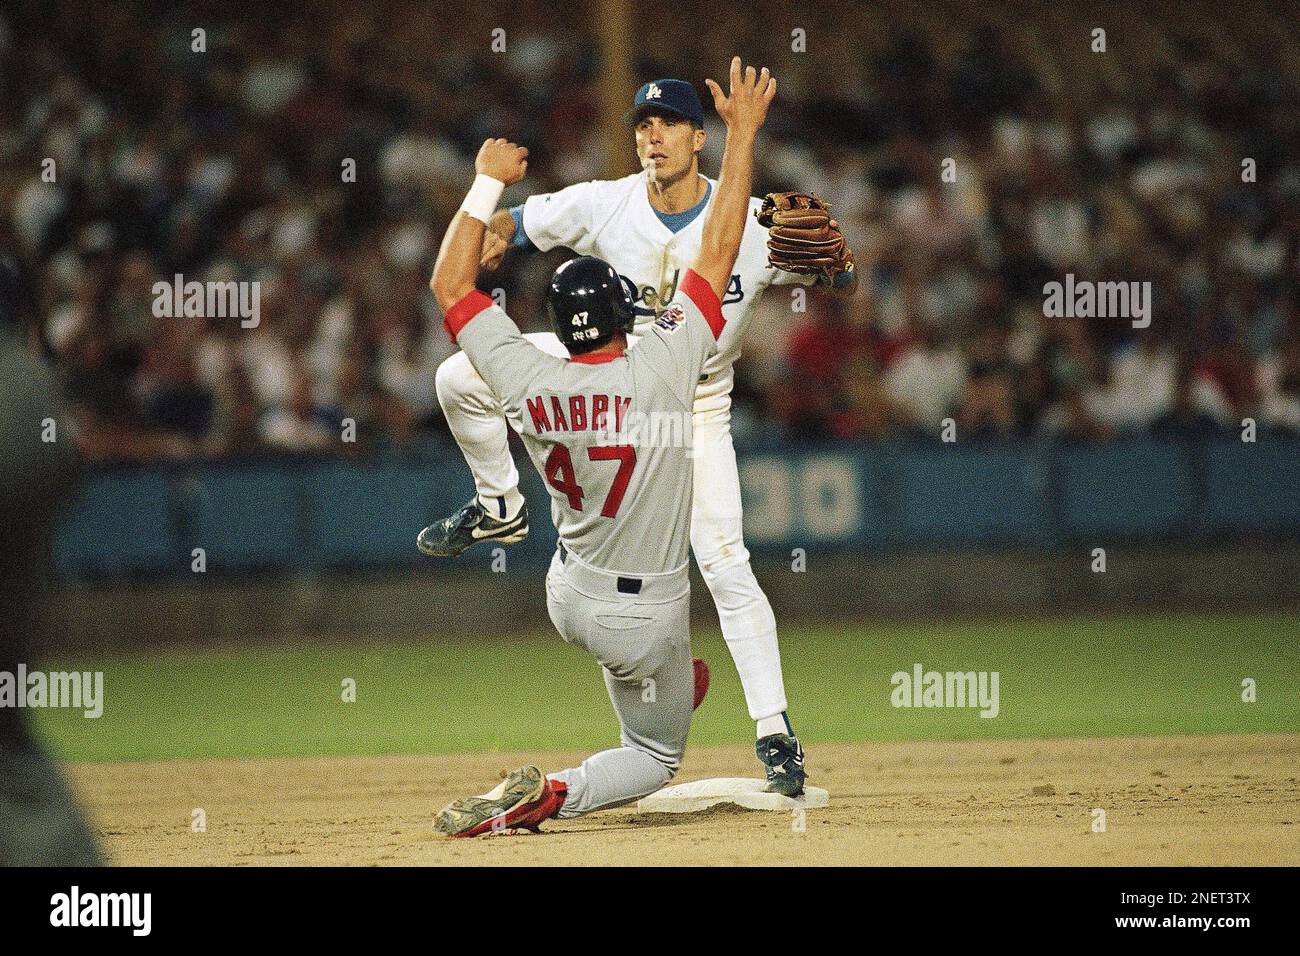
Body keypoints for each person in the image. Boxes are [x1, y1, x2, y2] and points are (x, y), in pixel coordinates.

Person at [420, 69, 856, 795]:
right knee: (457, 377)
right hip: (613, 377)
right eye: (642, 123)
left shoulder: (749, 223)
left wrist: (838, 267)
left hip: (694, 400)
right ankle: (500, 506)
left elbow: (838, 277)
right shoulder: (605, 202)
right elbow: (518, 227)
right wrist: (493, 230)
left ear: (698, 137)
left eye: (668, 122)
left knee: (723, 560)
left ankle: (775, 731)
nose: (652, 134)